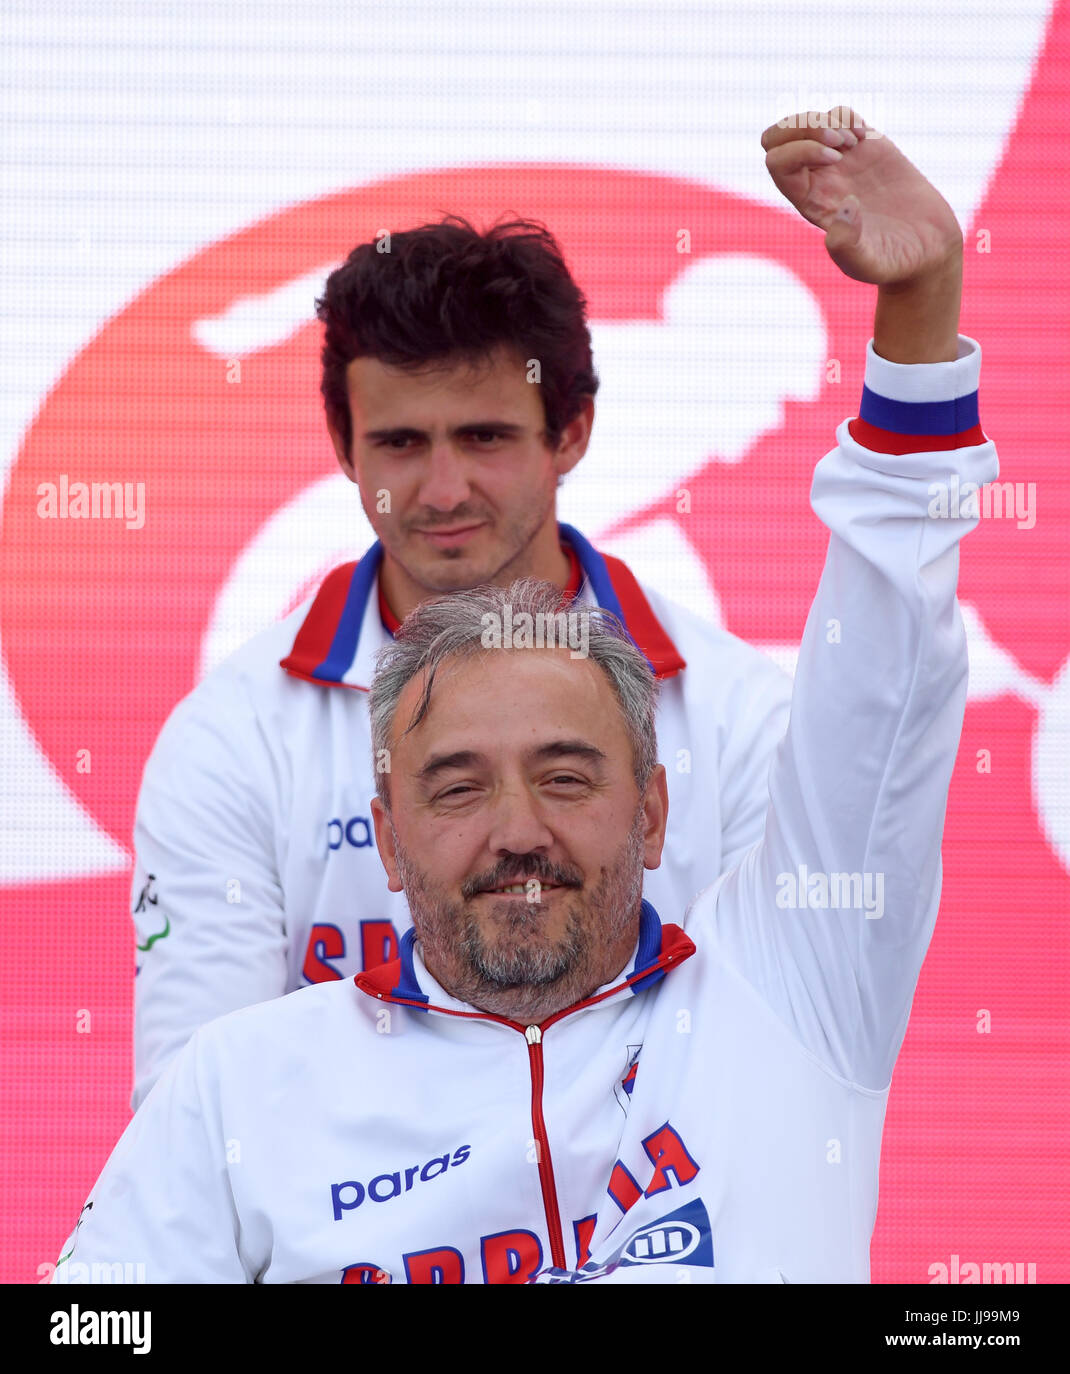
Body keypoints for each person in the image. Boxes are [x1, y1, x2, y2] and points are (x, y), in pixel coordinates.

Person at [56, 111, 997, 1283]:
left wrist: (917, 329)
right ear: (384, 827)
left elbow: (883, 703)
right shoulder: (231, 765)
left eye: (567, 774)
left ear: (652, 805)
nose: (442, 489)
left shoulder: (746, 768)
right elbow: (185, 1184)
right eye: (454, 786)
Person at [129, 191, 794, 1109]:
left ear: (571, 433)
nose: (443, 491)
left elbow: (776, 1070)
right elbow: (194, 1115)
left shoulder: (741, 716)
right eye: (401, 443)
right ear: (343, 446)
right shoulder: (229, 739)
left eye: (484, 438)